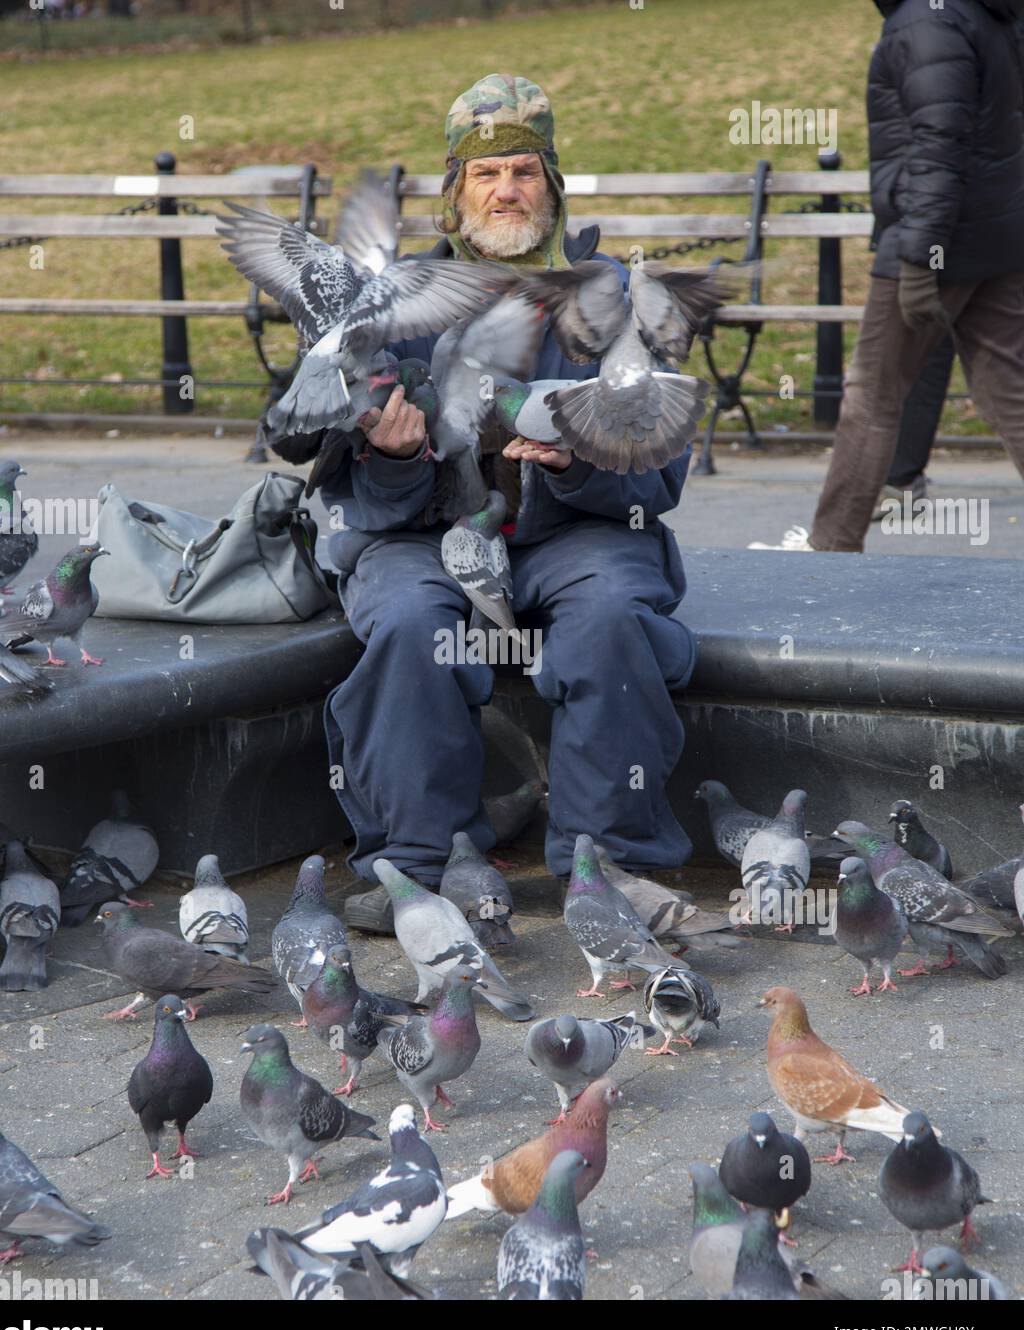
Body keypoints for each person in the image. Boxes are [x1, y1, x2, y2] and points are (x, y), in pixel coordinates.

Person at [273, 74, 698, 935]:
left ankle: (608, 866)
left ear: (553, 182)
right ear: (455, 191)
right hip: (425, 535)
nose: (506, 189)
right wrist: (395, 456)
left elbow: (661, 479)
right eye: (486, 174)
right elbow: (319, 455)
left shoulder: (616, 296)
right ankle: (419, 867)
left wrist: (579, 462)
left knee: (612, 611)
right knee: (402, 619)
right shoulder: (396, 302)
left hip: (578, 534)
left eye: (524, 170)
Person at [751, 0, 1024, 553]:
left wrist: (921, 256)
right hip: (997, 236)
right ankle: (833, 540)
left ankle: (830, 546)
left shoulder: (927, 18)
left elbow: (939, 143)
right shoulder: (986, 15)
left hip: (935, 239)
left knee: (873, 395)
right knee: (1010, 390)